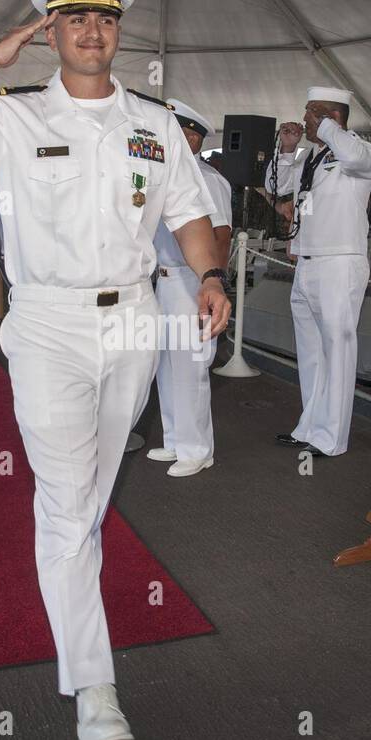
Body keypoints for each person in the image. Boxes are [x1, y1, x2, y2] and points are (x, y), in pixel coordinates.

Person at [0, 0, 231, 740]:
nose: (93, 31)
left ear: (119, 29)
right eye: (76, 19)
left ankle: (82, 660)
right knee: (65, 503)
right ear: (51, 31)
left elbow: (188, 213)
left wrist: (212, 272)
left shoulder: (152, 123)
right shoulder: (11, 114)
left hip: (133, 321)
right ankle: (93, 683)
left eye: (107, 18)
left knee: (86, 502)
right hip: (48, 324)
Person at [264, 87, 371, 458]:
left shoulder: (358, 151)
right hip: (307, 263)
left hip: (339, 263)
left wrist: (327, 127)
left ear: (332, 116)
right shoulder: (313, 158)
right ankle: (310, 427)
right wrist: (285, 148)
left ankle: (332, 438)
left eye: (312, 113)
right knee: (311, 352)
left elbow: (356, 158)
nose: (305, 119)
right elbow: (279, 187)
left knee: (337, 352)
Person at [145, 98, 232, 477]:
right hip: (162, 280)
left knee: (191, 368)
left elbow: (222, 235)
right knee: (165, 365)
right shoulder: (163, 174)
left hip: (192, 281)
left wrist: (213, 283)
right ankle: (174, 439)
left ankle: (198, 449)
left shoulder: (209, 179)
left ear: (193, 138)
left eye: (179, 132)